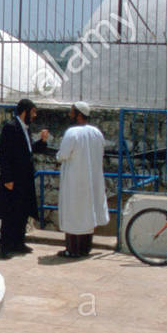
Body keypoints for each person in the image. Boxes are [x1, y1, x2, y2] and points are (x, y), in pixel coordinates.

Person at [0, 98, 50, 259]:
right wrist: (8, 178)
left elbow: (28, 151)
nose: (35, 115)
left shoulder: (26, 129)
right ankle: (4, 245)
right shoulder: (11, 128)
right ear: (25, 112)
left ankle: (18, 242)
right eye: (33, 112)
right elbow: (5, 154)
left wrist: (42, 142)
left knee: (22, 211)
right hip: (13, 178)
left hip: (24, 178)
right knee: (9, 213)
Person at [55, 101, 109, 258]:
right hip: (92, 181)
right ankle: (85, 248)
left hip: (75, 181)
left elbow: (63, 154)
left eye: (72, 112)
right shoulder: (96, 133)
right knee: (87, 213)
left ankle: (72, 250)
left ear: (78, 114)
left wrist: (58, 156)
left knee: (73, 214)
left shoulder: (72, 133)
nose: (69, 115)